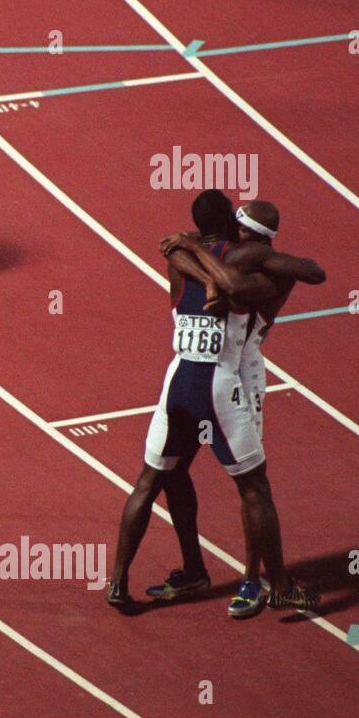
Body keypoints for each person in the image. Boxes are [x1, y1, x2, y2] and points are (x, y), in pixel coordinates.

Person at [108, 195, 321, 618]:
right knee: (253, 486)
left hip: (179, 381)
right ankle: (271, 583)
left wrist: (197, 255)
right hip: (225, 381)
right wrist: (208, 272)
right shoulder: (242, 262)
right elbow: (241, 281)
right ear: (230, 224)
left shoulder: (210, 257)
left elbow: (185, 256)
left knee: (155, 478)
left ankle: (120, 580)